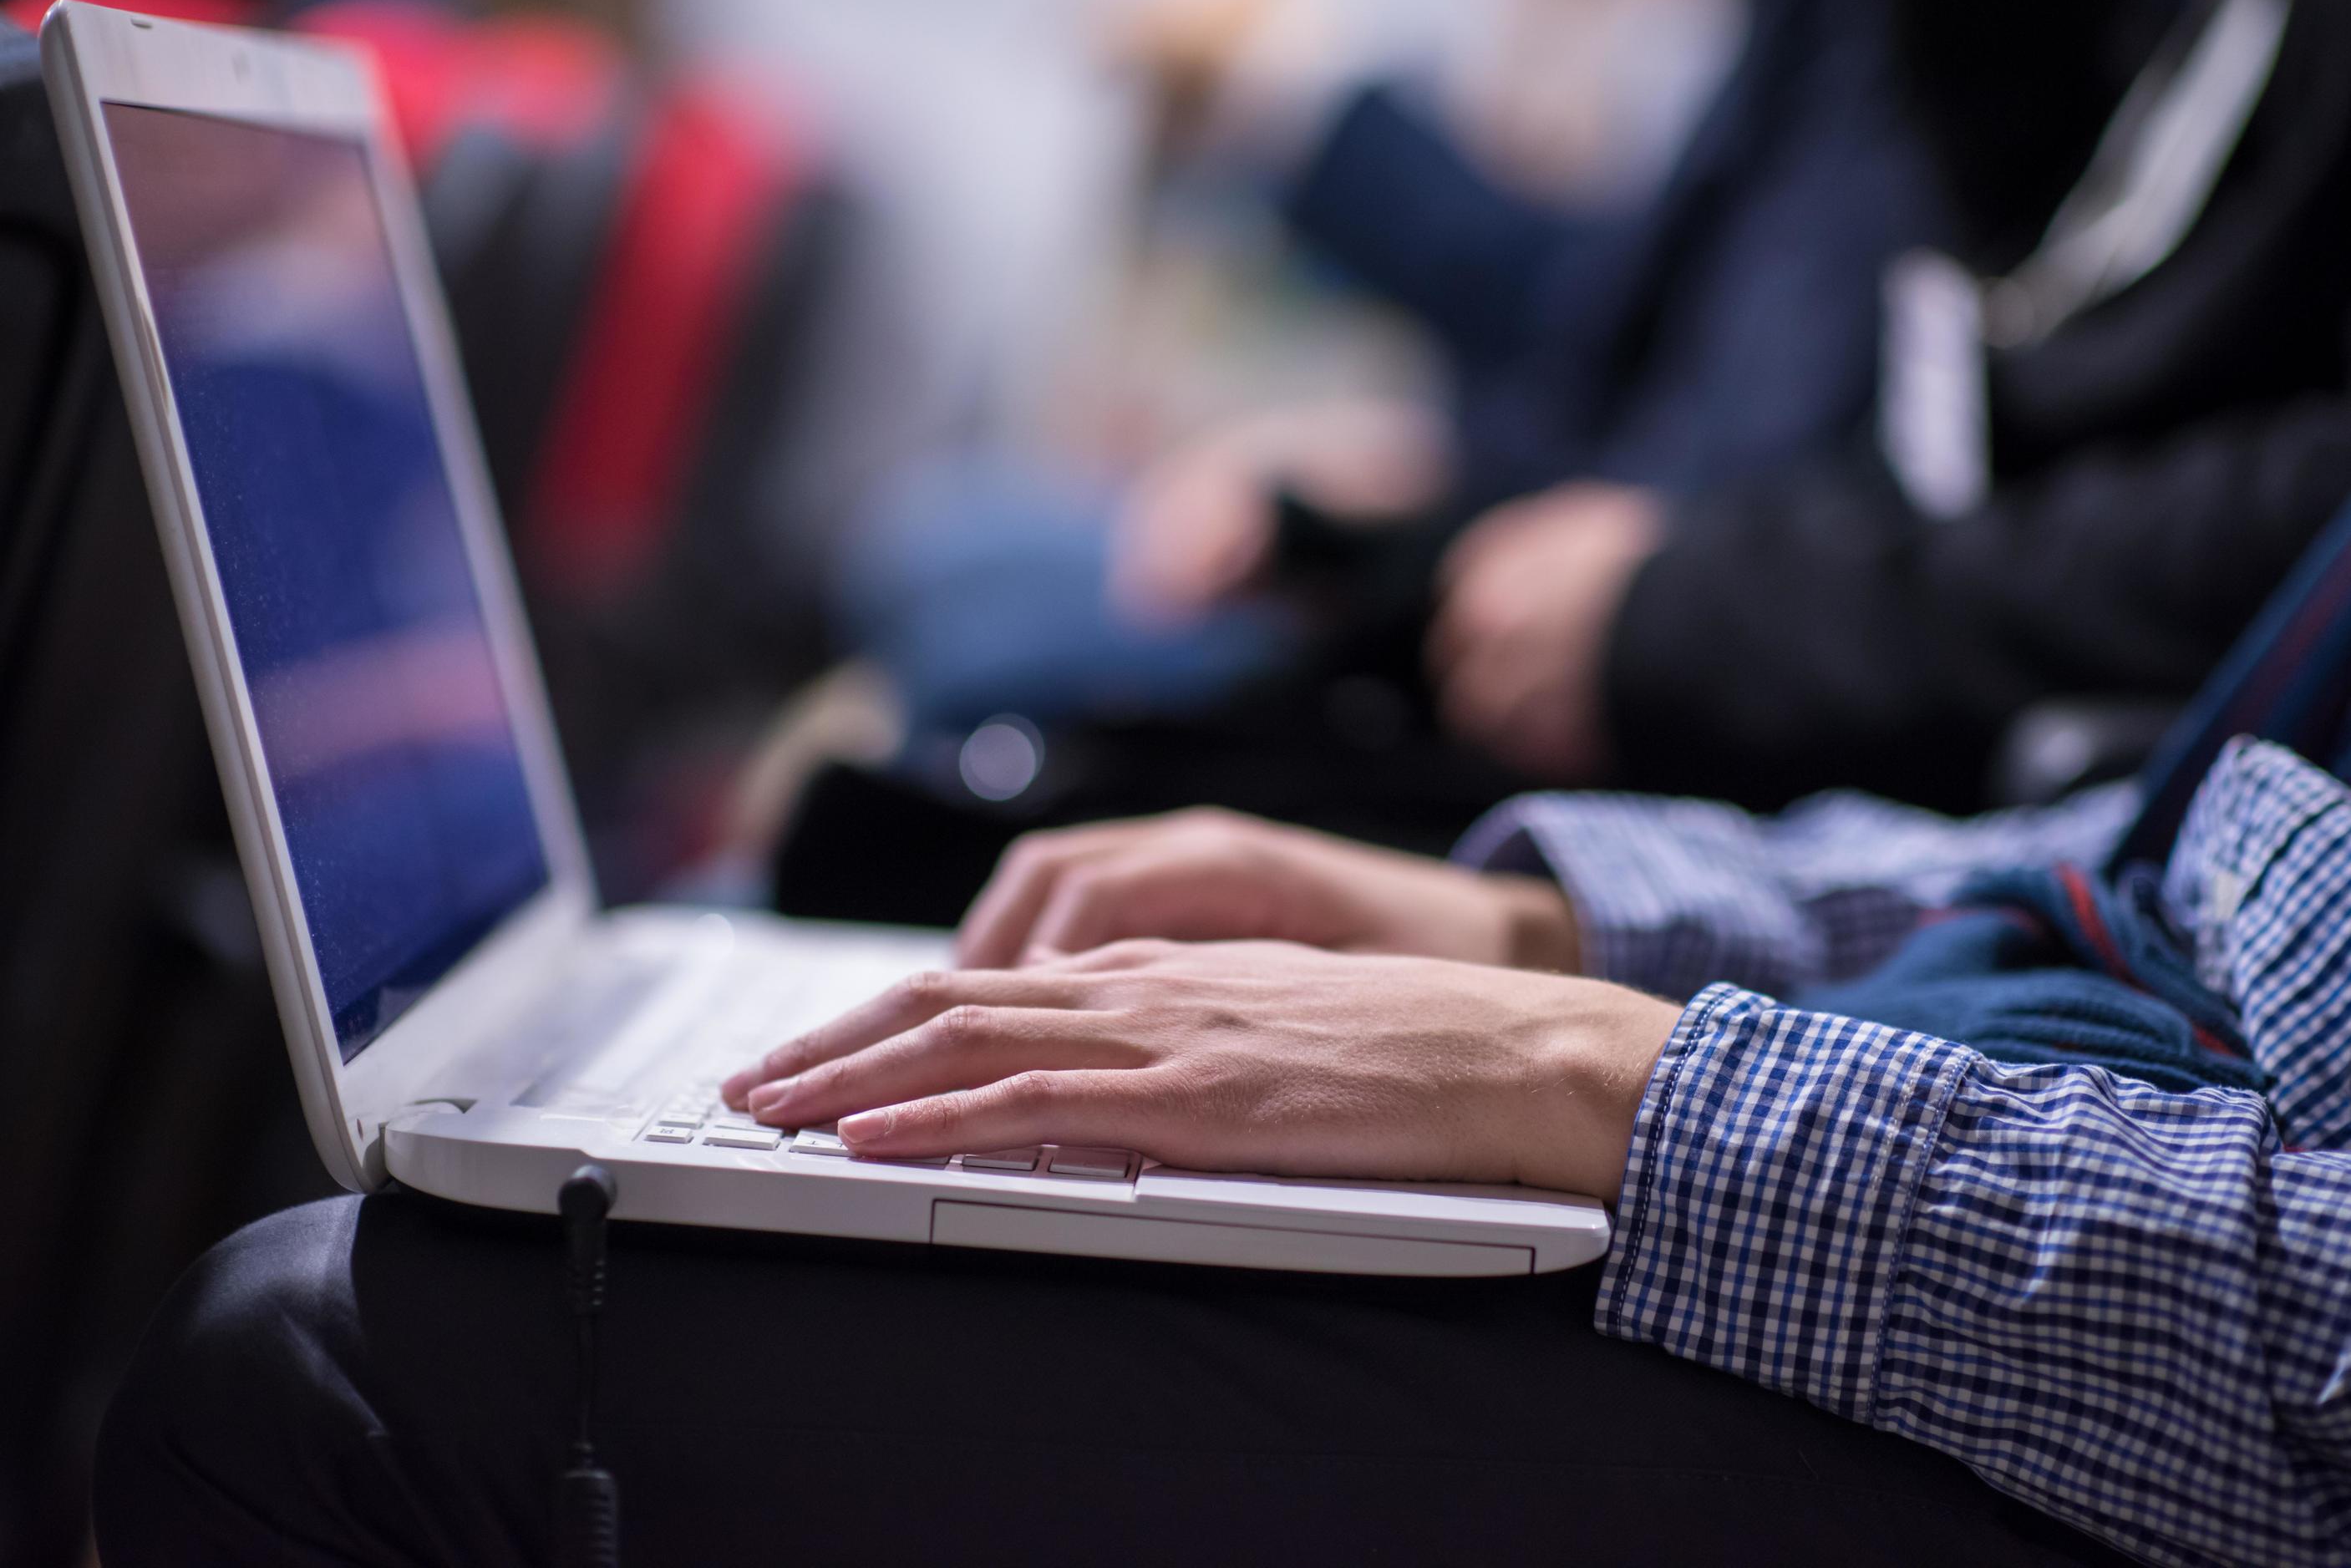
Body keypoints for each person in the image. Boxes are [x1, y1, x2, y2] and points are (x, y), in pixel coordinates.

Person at [93, 495, 2351, 1564]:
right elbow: (2169, 839)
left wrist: (1601, 1078)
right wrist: (1523, 918)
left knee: (315, 1356)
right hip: (1974, 1074)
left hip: (2103, 1378)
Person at [855, 0, 2351, 819]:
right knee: (952, 574)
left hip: (1765, 669)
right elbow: (1655, 354)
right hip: (1718, 607)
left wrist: (1313, 110)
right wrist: (1430, 470)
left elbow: (1780, 442)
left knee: (966, 586)